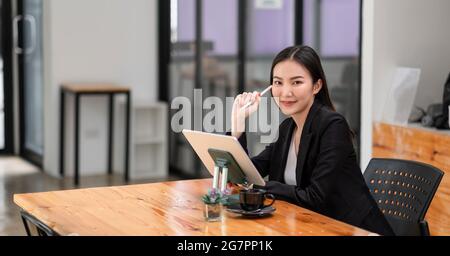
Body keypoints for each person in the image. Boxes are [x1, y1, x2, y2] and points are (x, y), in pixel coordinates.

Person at [230, 45, 394, 236]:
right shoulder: (287, 129)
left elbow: (314, 198)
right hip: (310, 228)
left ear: (316, 86)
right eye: (278, 82)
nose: (285, 92)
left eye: (296, 82)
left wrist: (262, 186)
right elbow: (246, 174)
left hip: (353, 230)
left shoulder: (332, 126)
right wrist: (238, 128)